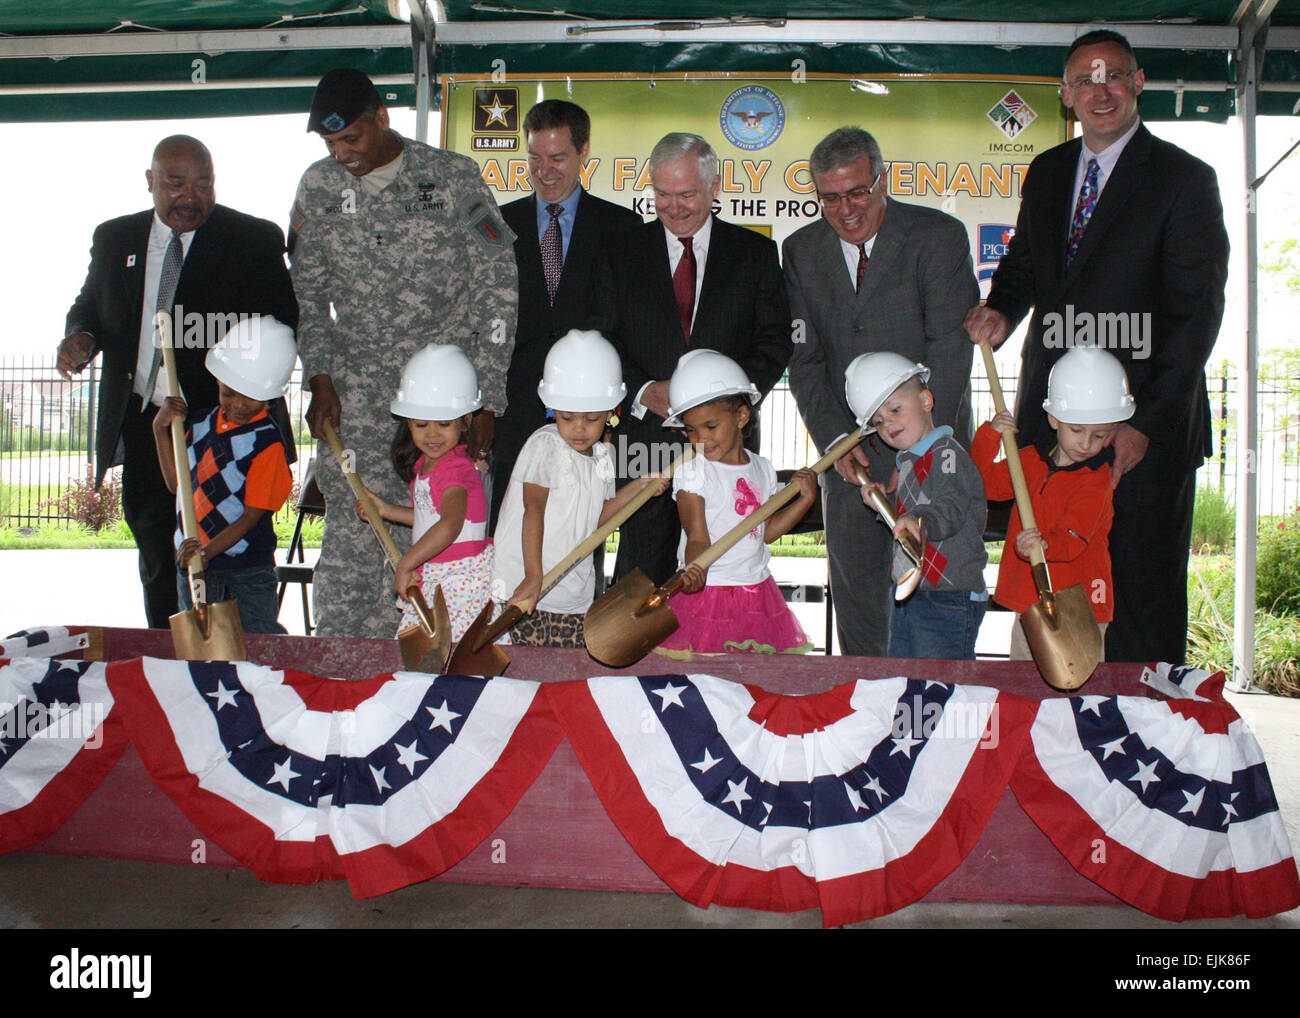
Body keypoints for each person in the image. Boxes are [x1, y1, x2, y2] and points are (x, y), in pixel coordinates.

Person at [965, 29, 1229, 665]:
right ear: (1065, 96)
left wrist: (1143, 423)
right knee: (1047, 583)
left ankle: (1141, 740)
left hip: (1139, 433)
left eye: (1114, 76)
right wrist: (1001, 310)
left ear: (1138, 83)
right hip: (1053, 428)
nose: (1100, 89)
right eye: (1085, 78)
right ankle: (1048, 750)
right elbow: (1025, 266)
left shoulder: (1184, 180)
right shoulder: (1050, 172)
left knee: (1136, 592)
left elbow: (1196, 315)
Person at [290, 68, 518, 638]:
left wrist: (487, 397)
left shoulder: (452, 177)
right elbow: (310, 300)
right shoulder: (317, 189)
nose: (342, 154)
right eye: (331, 143)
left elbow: (498, 284)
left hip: (443, 403)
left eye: (352, 139)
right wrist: (319, 379)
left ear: (381, 119)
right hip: (359, 397)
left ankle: (432, 674)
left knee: (447, 538)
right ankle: (344, 671)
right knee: (354, 536)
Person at [57, 135, 298, 628]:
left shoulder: (252, 238)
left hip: (228, 425)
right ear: (150, 182)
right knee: (156, 547)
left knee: (233, 554)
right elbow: (90, 306)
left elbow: (283, 321)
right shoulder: (113, 238)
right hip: (150, 420)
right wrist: (79, 335)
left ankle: (237, 660)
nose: (190, 195)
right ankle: (169, 650)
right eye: (175, 182)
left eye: (203, 182)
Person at [783, 126, 978, 658]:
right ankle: (864, 712)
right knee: (860, 605)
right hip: (851, 459)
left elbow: (949, 351)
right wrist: (838, 444)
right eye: (830, 197)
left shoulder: (938, 237)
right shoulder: (799, 251)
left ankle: (936, 721)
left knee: (934, 602)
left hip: (931, 453)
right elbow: (807, 361)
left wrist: (914, 450)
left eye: (857, 192)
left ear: (883, 180)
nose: (845, 209)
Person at [593, 132, 792, 588]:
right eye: (662, 194)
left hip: (726, 444)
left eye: (687, 194)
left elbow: (775, 339)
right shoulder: (620, 253)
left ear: (714, 187)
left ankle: (711, 662)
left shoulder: (755, 254)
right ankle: (639, 663)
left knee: (724, 568)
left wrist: (728, 405)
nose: (675, 207)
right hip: (646, 440)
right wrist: (643, 390)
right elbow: (602, 337)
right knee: (640, 574)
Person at [493, 100, 641, 532]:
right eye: (534, 158)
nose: (544, 170)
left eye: (557, 158)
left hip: (589, 419)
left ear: (584, 151)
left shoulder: (623, 229)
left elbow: (630, 329)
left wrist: (612, 415)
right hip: (515, 415)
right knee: (507, 534)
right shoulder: (501, 227)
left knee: (579, 535)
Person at [492, 331, 669, 647]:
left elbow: (599, 517)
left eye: (590, 418)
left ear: (611, 413)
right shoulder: (545, 445)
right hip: (527, 588)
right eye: (566, 416)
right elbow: (533, 510)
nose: (578, 428)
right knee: (524, 678)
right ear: (551, 409)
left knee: (564, 680)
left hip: (574, 593)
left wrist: (640, 487)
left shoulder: (603, 456)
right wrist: (533, 576)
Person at [971, 346, 1134, 659]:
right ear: (1054, 419)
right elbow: (983, 484)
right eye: (1077, 430)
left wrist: (1041, 546)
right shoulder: (1029, 463)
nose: (1086, 444)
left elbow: (1073, 539)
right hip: (1031, 602)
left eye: (1099, 436)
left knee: (1080, 690)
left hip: (1081, 607)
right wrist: (991, 436)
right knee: (1024, 682)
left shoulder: (1096, 483)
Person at [659, 350, 815, 656]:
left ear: (741, 417)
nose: (700, 439)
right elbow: (697, 536)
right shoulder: (694, 473)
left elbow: (765, 533)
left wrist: (805, 500)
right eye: (691, 430)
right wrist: (694, 569)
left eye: (711, 426)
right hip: (710, 593)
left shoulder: (762, 468)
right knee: (708, 682)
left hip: (758, 591)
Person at [151, 318, 297, 635]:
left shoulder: (267, 443)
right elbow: (178, 486)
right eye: (228, 393)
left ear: (271, 395)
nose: (238, 405)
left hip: (245, 570)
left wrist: (206, 553)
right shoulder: (202, 423)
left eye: (251, 396)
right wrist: (160, 429)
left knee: (257, 642)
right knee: (198, 643)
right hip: (192, 560)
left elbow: (249, 518)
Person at [846, 353, 988, 660]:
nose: (889, 424)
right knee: (908, 683)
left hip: (949, 595)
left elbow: (948, 508)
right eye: (879, 421)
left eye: (896, 409)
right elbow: (909, 528)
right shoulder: (909, 462)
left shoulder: (947, 454)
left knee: (940, 688)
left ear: (926, 400)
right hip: (913, 589)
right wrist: (882, 506)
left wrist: (915, 517)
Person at [360, 345, 494, 642]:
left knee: (448, 655)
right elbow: (430, 516)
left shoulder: (456, 469)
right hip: (437, 572)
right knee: (425, 658)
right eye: (421, 424)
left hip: (456, 582)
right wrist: (385, 510)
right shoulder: (428, 464)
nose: (432, 434)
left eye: (443, 424)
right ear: (408, 422)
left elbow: (450, 525)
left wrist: (407, 563)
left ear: (466, 421)